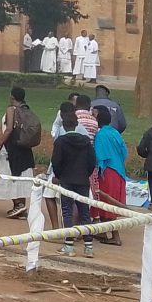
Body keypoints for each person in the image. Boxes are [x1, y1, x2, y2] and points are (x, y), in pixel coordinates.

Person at [50, 104, 97, 257]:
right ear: (77, 124)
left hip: (66, 179)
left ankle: (69, 245)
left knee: (67, 211)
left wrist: (58, 175)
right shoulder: (86, 141)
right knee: (84, 212)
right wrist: (85, 174)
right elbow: (92, 161)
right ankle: (88, 246)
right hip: (83, 180)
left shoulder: (61, 142)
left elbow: (56, 162)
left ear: (63, 124)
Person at [0, 87, 41, 219]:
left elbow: (9, 129)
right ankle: (21, 206)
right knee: (22, 176)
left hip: (12, 147)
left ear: (12, 97)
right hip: (24, 147)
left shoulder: (11, 110)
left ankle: (18, 205)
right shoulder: (26, 109)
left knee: (9, 174)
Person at [90, 104, 128, 245]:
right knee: (111, 203)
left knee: (106, 204)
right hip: (119, 171)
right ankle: (103, 233)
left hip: (107, 172)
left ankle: (115, 236)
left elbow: (100, 156)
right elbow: (124, 152)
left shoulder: (100, 135)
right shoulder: (115, 132)